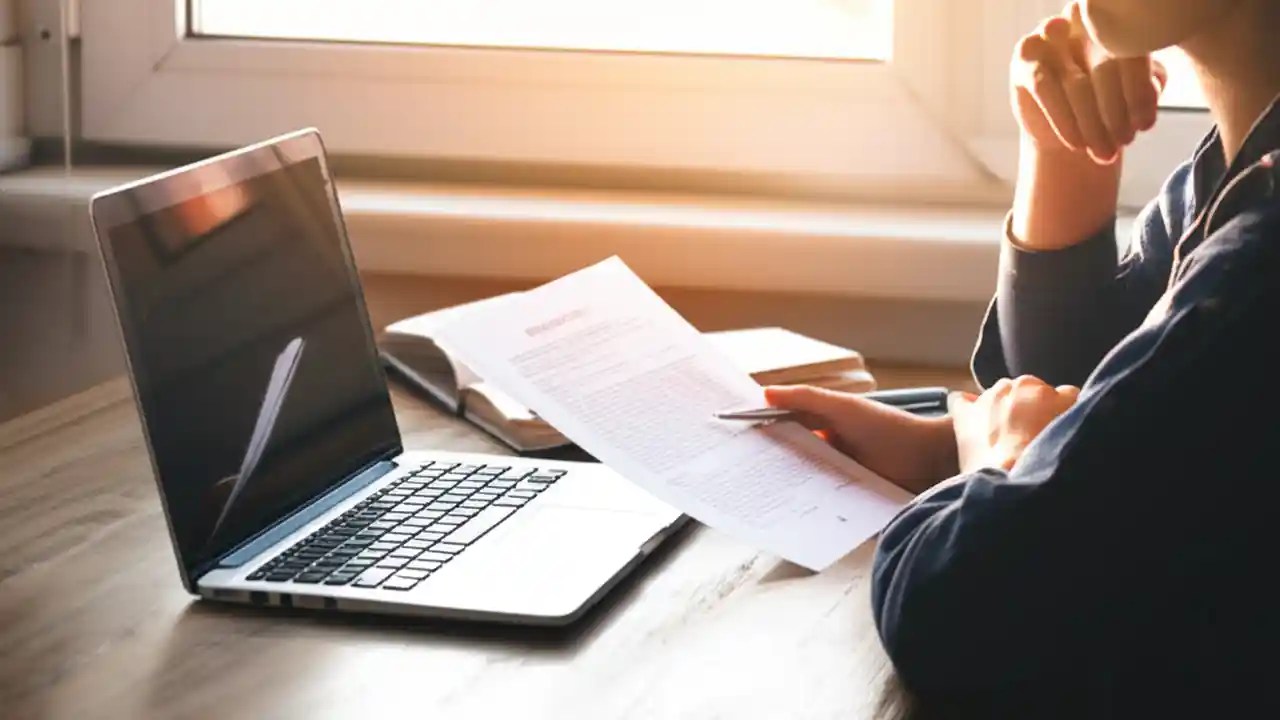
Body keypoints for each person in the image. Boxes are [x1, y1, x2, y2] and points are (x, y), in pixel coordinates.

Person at [766, 0, 1280, 715]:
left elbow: (959, 608)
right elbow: (1094, 393)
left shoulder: (1262, 255)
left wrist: (999, 460)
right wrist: (1061, 151)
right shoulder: (1238, 163)